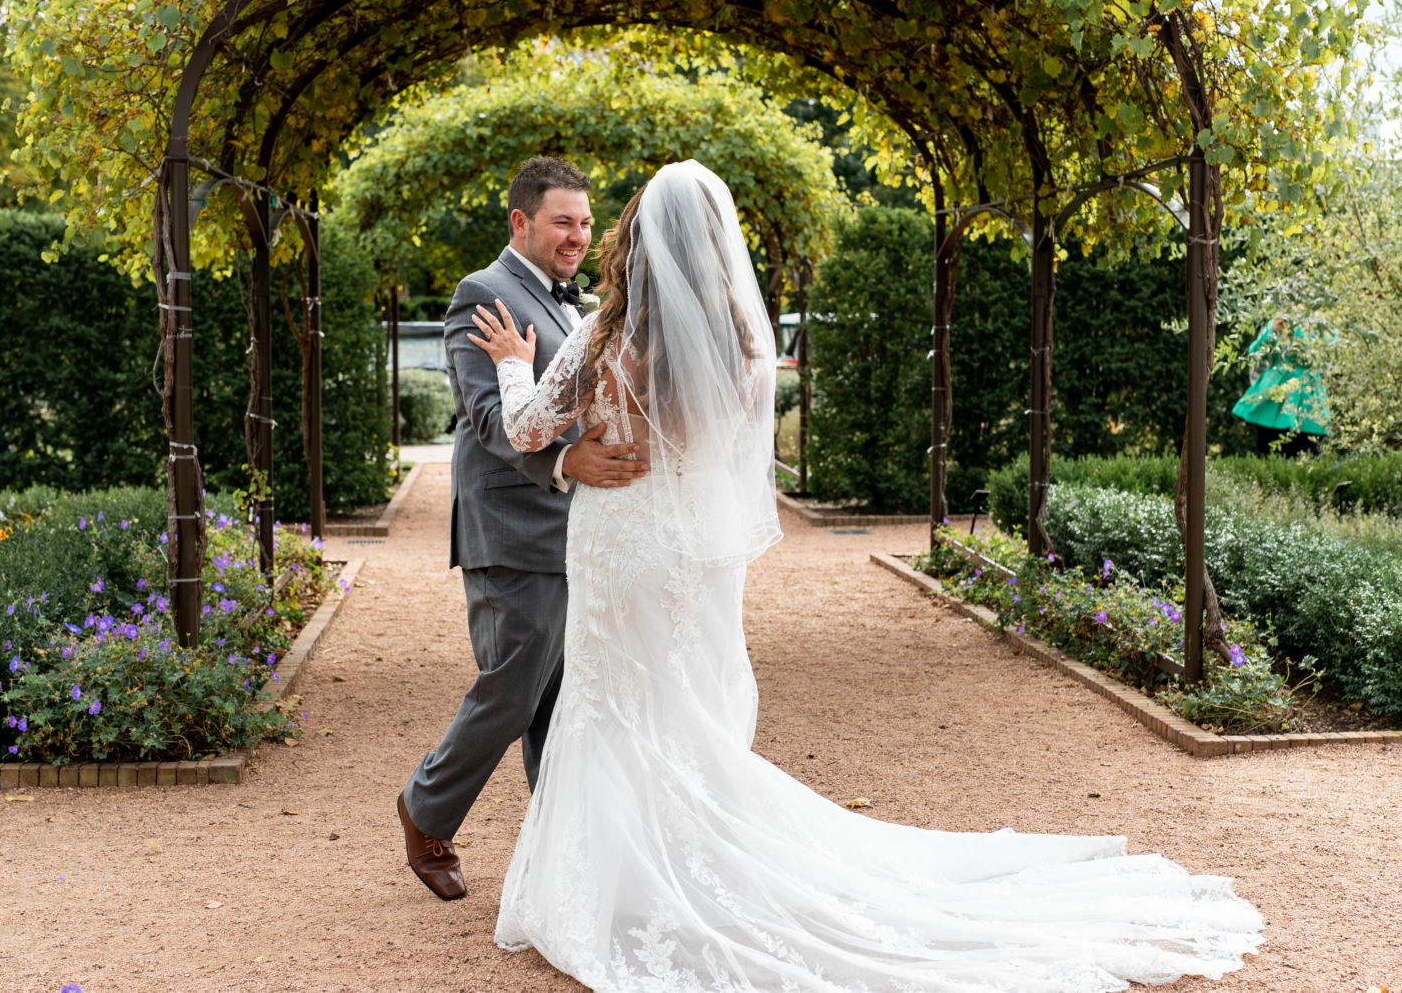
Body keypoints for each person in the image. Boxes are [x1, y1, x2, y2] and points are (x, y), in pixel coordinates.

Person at [466, 159, 1264, 991]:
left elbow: (525, 430)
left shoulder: (603, 337)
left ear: (636, 241)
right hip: (690, 557)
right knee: (679, 708)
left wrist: (516, 362)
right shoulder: (743, 345)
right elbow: (726, 458)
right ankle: (669, 866)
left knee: (611, 704)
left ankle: (615, 887)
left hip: (617, 549)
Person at [397, 157, 649, 901]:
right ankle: (426, 808)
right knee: (512, 687)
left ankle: (557, 842)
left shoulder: (576, 304)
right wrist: (569, 458)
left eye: (584, 222)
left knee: (560, 697)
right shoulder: (483, 293)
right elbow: (485, 412)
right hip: (510, 526)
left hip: (575, 532)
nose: (577, 236)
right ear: (521, 222)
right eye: (562, 221)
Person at [1232, 312, 1329, 456]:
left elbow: (1326, 359)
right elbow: (1254, 355)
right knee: (1267, 454)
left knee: (1306, 454)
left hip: (1308, 396)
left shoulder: (1319, 321)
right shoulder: (1277, 319)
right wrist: (1271, 330)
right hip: (1272, 394)